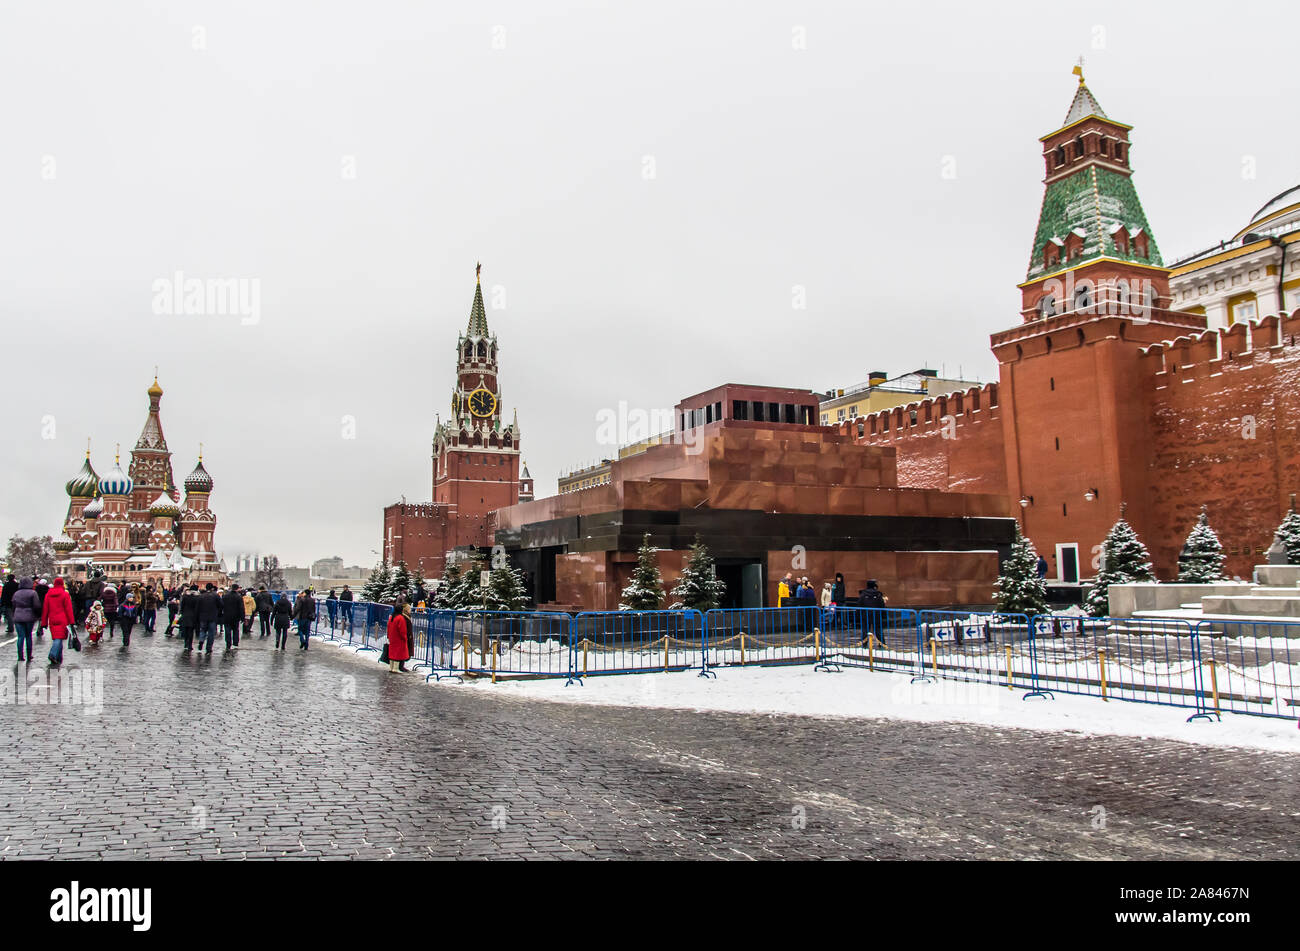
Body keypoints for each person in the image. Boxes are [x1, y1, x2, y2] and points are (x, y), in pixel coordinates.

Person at [40, 577, 75, 668]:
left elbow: (45, 609)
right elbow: (69, 609)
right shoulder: (65, 594)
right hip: (63, 619)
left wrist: (43, 622)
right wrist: (71, 621)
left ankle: (58, 658)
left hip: (52, 619)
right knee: (59, 638)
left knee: (56, 637)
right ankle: (53, 654)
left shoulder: (48, 594)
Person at [11, 577, 42, 663]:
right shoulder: (33, 593)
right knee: (28, 636)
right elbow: (36, 606)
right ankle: (29, 655)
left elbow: (13, 604)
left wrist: (14, 614)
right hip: (29, 616)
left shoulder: (16, 593)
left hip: (18, 616)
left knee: (20, 637)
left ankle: (20, 656)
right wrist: (38, 615)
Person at [858, 580, 888, 647]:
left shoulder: (863, 594)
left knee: (865, 630)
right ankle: (882, 644)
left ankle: (864, 645)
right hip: (876, 615)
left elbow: (859, 604)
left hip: (865, 615)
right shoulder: (878, 594)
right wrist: (884, 615)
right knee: (878, 630)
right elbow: (882, 605)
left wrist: (859, 615)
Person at [197, 583, 221, 655]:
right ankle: (209, 648)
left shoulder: (201, 596)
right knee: (211, 633)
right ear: (212, 588)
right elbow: (220, 605)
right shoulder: (215, 596)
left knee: (203, 630)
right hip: (212, 617)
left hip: (203, 617)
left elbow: (198, 607)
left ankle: (201, 640)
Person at [221, 585, 244, 651]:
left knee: (227, 630)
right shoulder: (239, 596)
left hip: (226, 616)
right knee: (235, 630)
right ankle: (235, 643)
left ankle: (228, 643)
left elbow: (222, 606)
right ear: (237, 589)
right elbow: (241, 608)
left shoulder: (225, 596)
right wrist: (242, 617)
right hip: (236, 616)